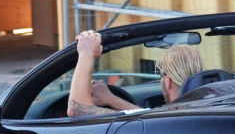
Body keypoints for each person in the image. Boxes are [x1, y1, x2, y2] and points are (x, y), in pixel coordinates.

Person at [67, 30, 204, 117]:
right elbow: (145, 115)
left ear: (167, 81)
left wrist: (86, 54)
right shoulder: (208, 108)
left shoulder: (166, 121)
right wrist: (111, 99)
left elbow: (77, 110)